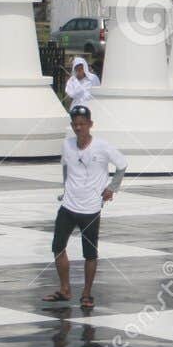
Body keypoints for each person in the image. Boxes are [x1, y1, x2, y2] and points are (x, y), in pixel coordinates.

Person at [44, 105, 127, 311]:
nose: (78, 128)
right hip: (68, 205)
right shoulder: (67, 145)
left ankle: (87, 293)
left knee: (89, 253)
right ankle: (65, 289)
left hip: (90, 208)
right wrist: (65, 189)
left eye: (82, 124)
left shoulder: (102, 146)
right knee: (57, 247)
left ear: (90, 124)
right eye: (75, 124)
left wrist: (112, 188)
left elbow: (122, 165)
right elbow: (65, 167)